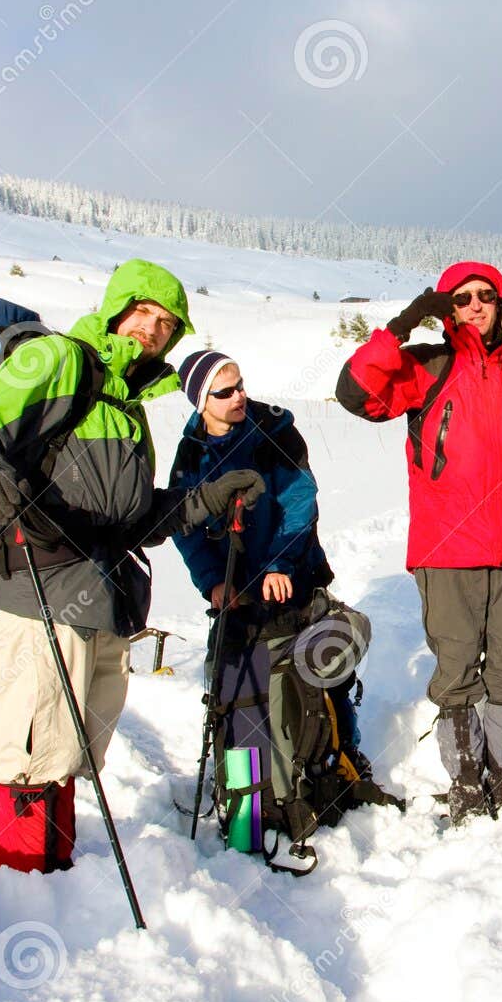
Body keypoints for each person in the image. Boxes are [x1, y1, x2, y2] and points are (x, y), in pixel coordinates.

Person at [0, 259, 261, 873]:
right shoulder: (58, 361)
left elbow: (130, 517)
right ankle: (23, 885)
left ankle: (54, 878)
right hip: (42, 590)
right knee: (33, 750)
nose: (152, 330)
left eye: (167, 324)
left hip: (103, 596)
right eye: (143, 312)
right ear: (116, 308)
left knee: (73, 746)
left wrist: (205, 500)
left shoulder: (127, 402)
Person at [335, 262, 502, 823]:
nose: (475, 306)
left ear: (501, 303)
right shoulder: (425, 367)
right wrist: (399, 329)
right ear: (447, 309)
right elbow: (354, 393)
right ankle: (467, 782)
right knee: (457, 671)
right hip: (447, 553)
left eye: (485, 296)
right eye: (461, 298)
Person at [168, 350, 336, 832]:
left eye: (240, 384)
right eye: (225, 392)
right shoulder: (192, 452)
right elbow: (185, 525)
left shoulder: (273, 431)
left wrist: (279, 563)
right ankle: (248, 801)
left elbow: (300, 499)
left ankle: (316, 778)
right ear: (202, 402)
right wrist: (213, 582)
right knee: (238, 689)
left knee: (308, 680)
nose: (240, 396)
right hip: (235, 592)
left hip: (292, 579)